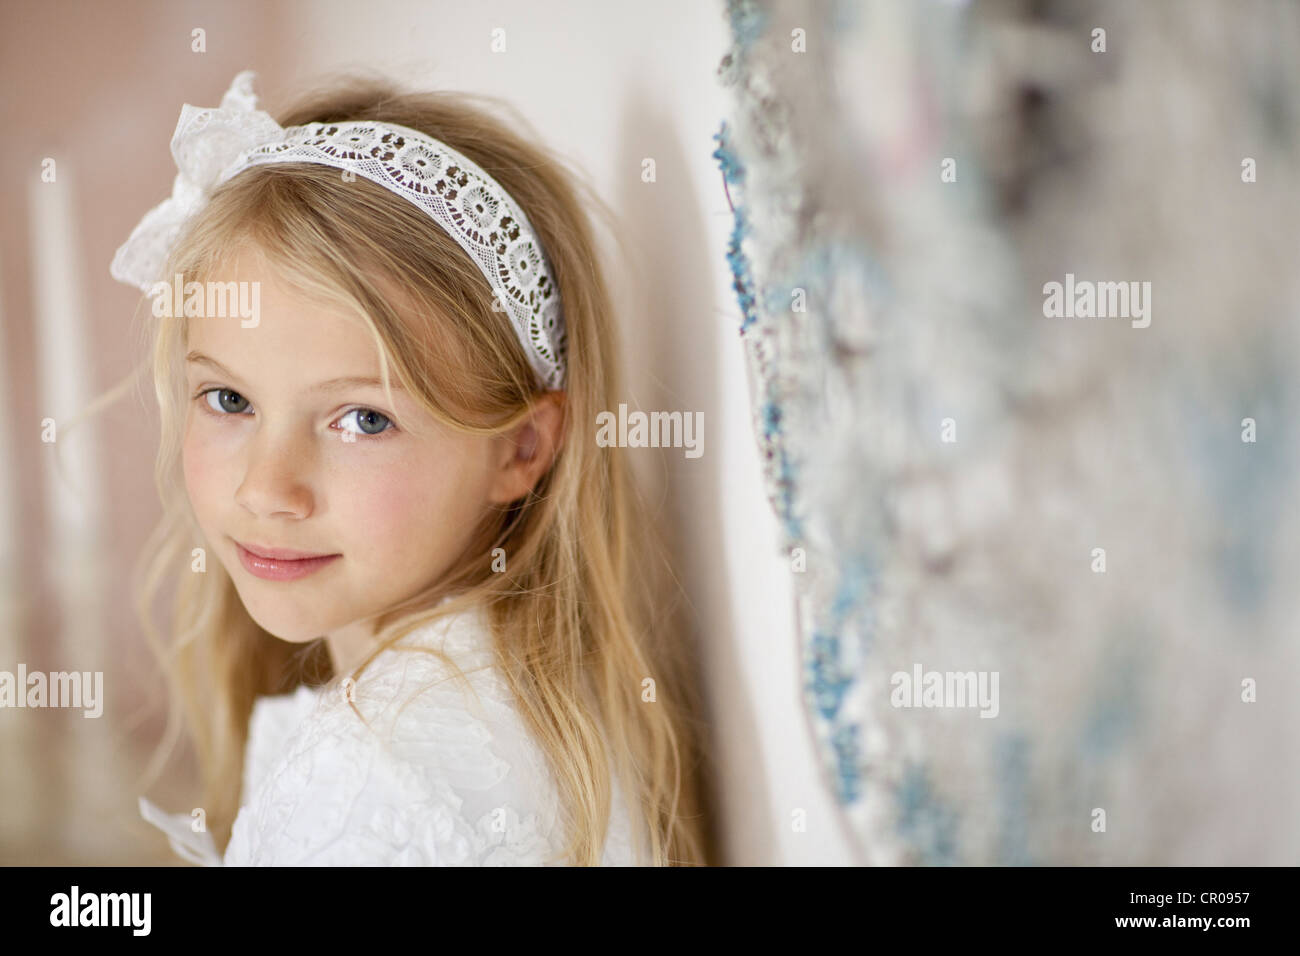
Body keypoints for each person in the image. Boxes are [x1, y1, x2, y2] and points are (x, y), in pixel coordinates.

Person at [118, 70, 709, 866]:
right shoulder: (519, 709)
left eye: (364, 420)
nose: (266, 488)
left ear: (521, 447)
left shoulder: (369, 791)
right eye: (228, 399)